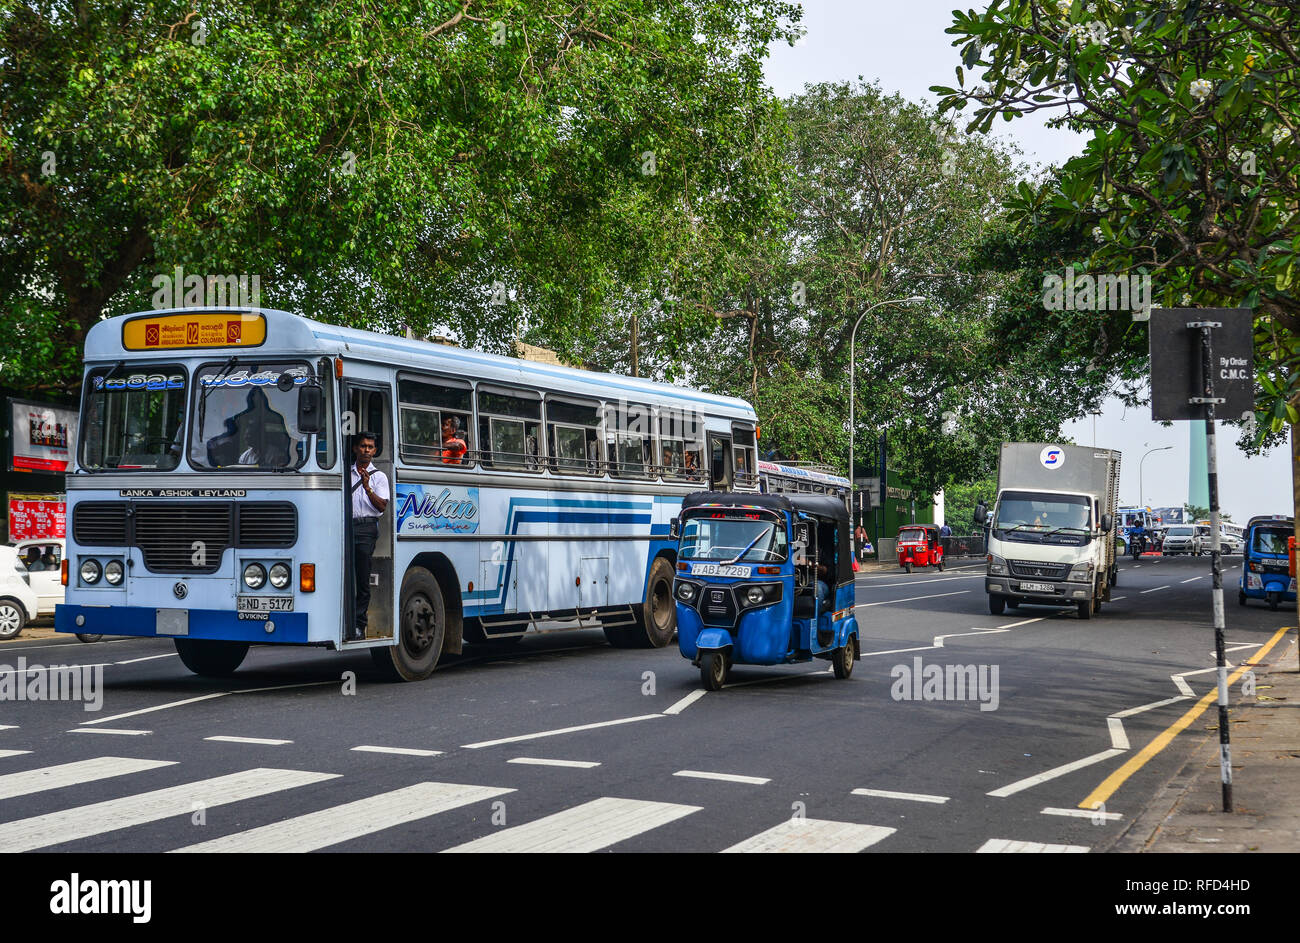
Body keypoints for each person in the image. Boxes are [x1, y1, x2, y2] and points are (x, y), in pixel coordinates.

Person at [349, 432, 389, 641]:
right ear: (355, 448)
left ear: (374, 451)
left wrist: (367, 488)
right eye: (363, 446)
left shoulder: (379, 477)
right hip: (347, 527)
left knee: (362, 578)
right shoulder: (346, 473)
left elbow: (382, 506)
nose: (366, 450)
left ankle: (358, 625)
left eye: (370, 447)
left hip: (366, 529)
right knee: (345, 576)